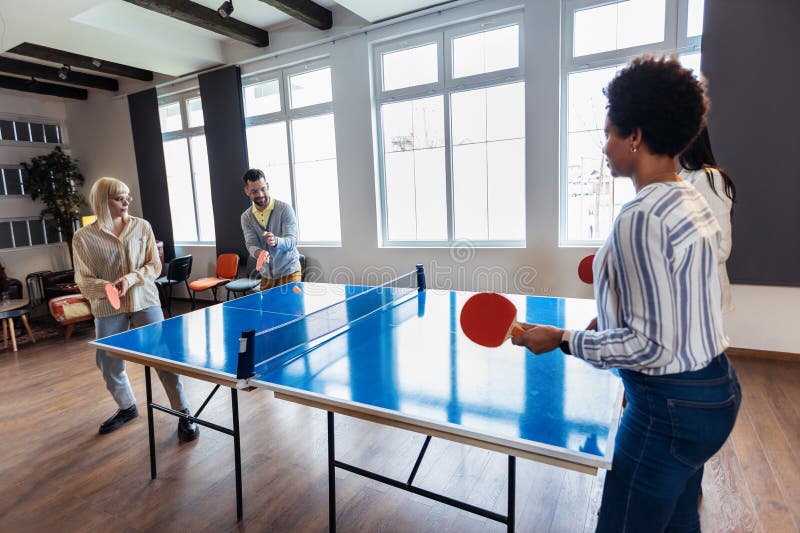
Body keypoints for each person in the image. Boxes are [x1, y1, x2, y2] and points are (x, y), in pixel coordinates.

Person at [511, 56, 741, 532]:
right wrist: (614, 321)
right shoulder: (689, 197)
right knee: (677, 520)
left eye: (610, 133)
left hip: (668, 408)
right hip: (715, 391)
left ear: (635, 137)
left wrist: (562, 338)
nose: (605, 146)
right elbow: (681, 303)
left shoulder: (641, 216)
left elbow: (651, 346)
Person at [73, 177, 199, 441]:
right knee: (108, 363)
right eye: (120, 198)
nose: (127, 201)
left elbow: (154, 266)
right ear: (103, 201)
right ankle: (127, 407)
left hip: (145, 301)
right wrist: (109, 287)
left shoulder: (142, 227)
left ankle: (184, 412)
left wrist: (130, 279)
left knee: (163, 358)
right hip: (108, 307)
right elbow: (83, 279)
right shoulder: (83, 238)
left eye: (127, 196)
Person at [678, 127, 737, 313]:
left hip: (703, 291)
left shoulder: (710, 178)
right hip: (684, 291)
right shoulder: (681, 178)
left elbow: (721, 246)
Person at [240, 168, 301, 290]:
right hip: (266, 275)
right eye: (255, 191)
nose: (260, 195)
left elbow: (292, 240)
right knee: (268, 309)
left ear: (267, 186)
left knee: (291, 308)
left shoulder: (284, 209)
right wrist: (259, 253)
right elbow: (251, 244)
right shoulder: (246, 217)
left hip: (289, 271)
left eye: (263, 189)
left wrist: (276, 241)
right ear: (247, 191)